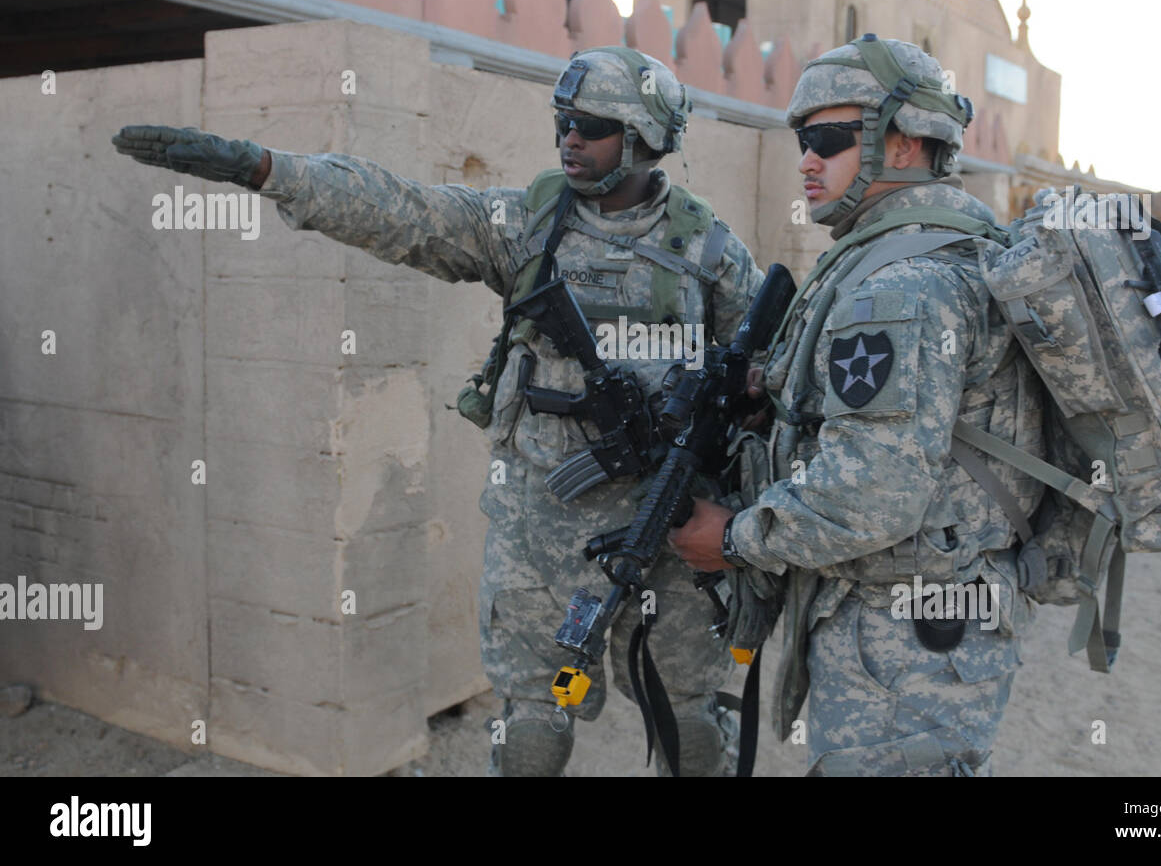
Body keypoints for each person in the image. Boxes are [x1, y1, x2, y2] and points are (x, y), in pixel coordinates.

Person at [112, 46, 764, 777]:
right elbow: (399, 209)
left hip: (673, 532)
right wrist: (265, 168)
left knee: (691, 719)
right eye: (562, 122)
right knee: (531, 724)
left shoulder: (710, 252)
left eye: (588, 124)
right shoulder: (528, 224)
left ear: (643, 137)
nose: (568, 139)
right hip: (540, 531)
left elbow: (767, 377)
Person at [670, 35, 1046, 776]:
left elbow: (877, 486)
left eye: (828, 139)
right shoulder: (946, 248)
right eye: (801, 140)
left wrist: (739, 537)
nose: (806, 159)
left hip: (908, 643)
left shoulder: (899, 287)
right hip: (925, 627)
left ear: (904, 144)